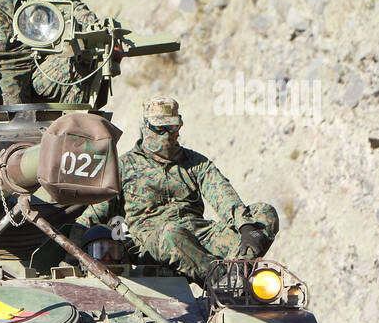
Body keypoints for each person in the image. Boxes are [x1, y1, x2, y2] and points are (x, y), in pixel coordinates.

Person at [83, 96, 278, 283]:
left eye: (172, 127)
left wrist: (245, 226)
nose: (166, 134)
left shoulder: (196, 163)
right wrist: (70, 245)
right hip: (155, 243)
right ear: (146, 128)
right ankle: (219, 280)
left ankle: (237, 273)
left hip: (200, 236)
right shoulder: (123, 167)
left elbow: (223, 196)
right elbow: (94, 214)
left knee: (264, 213)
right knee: (171, 233)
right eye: (159, 128)